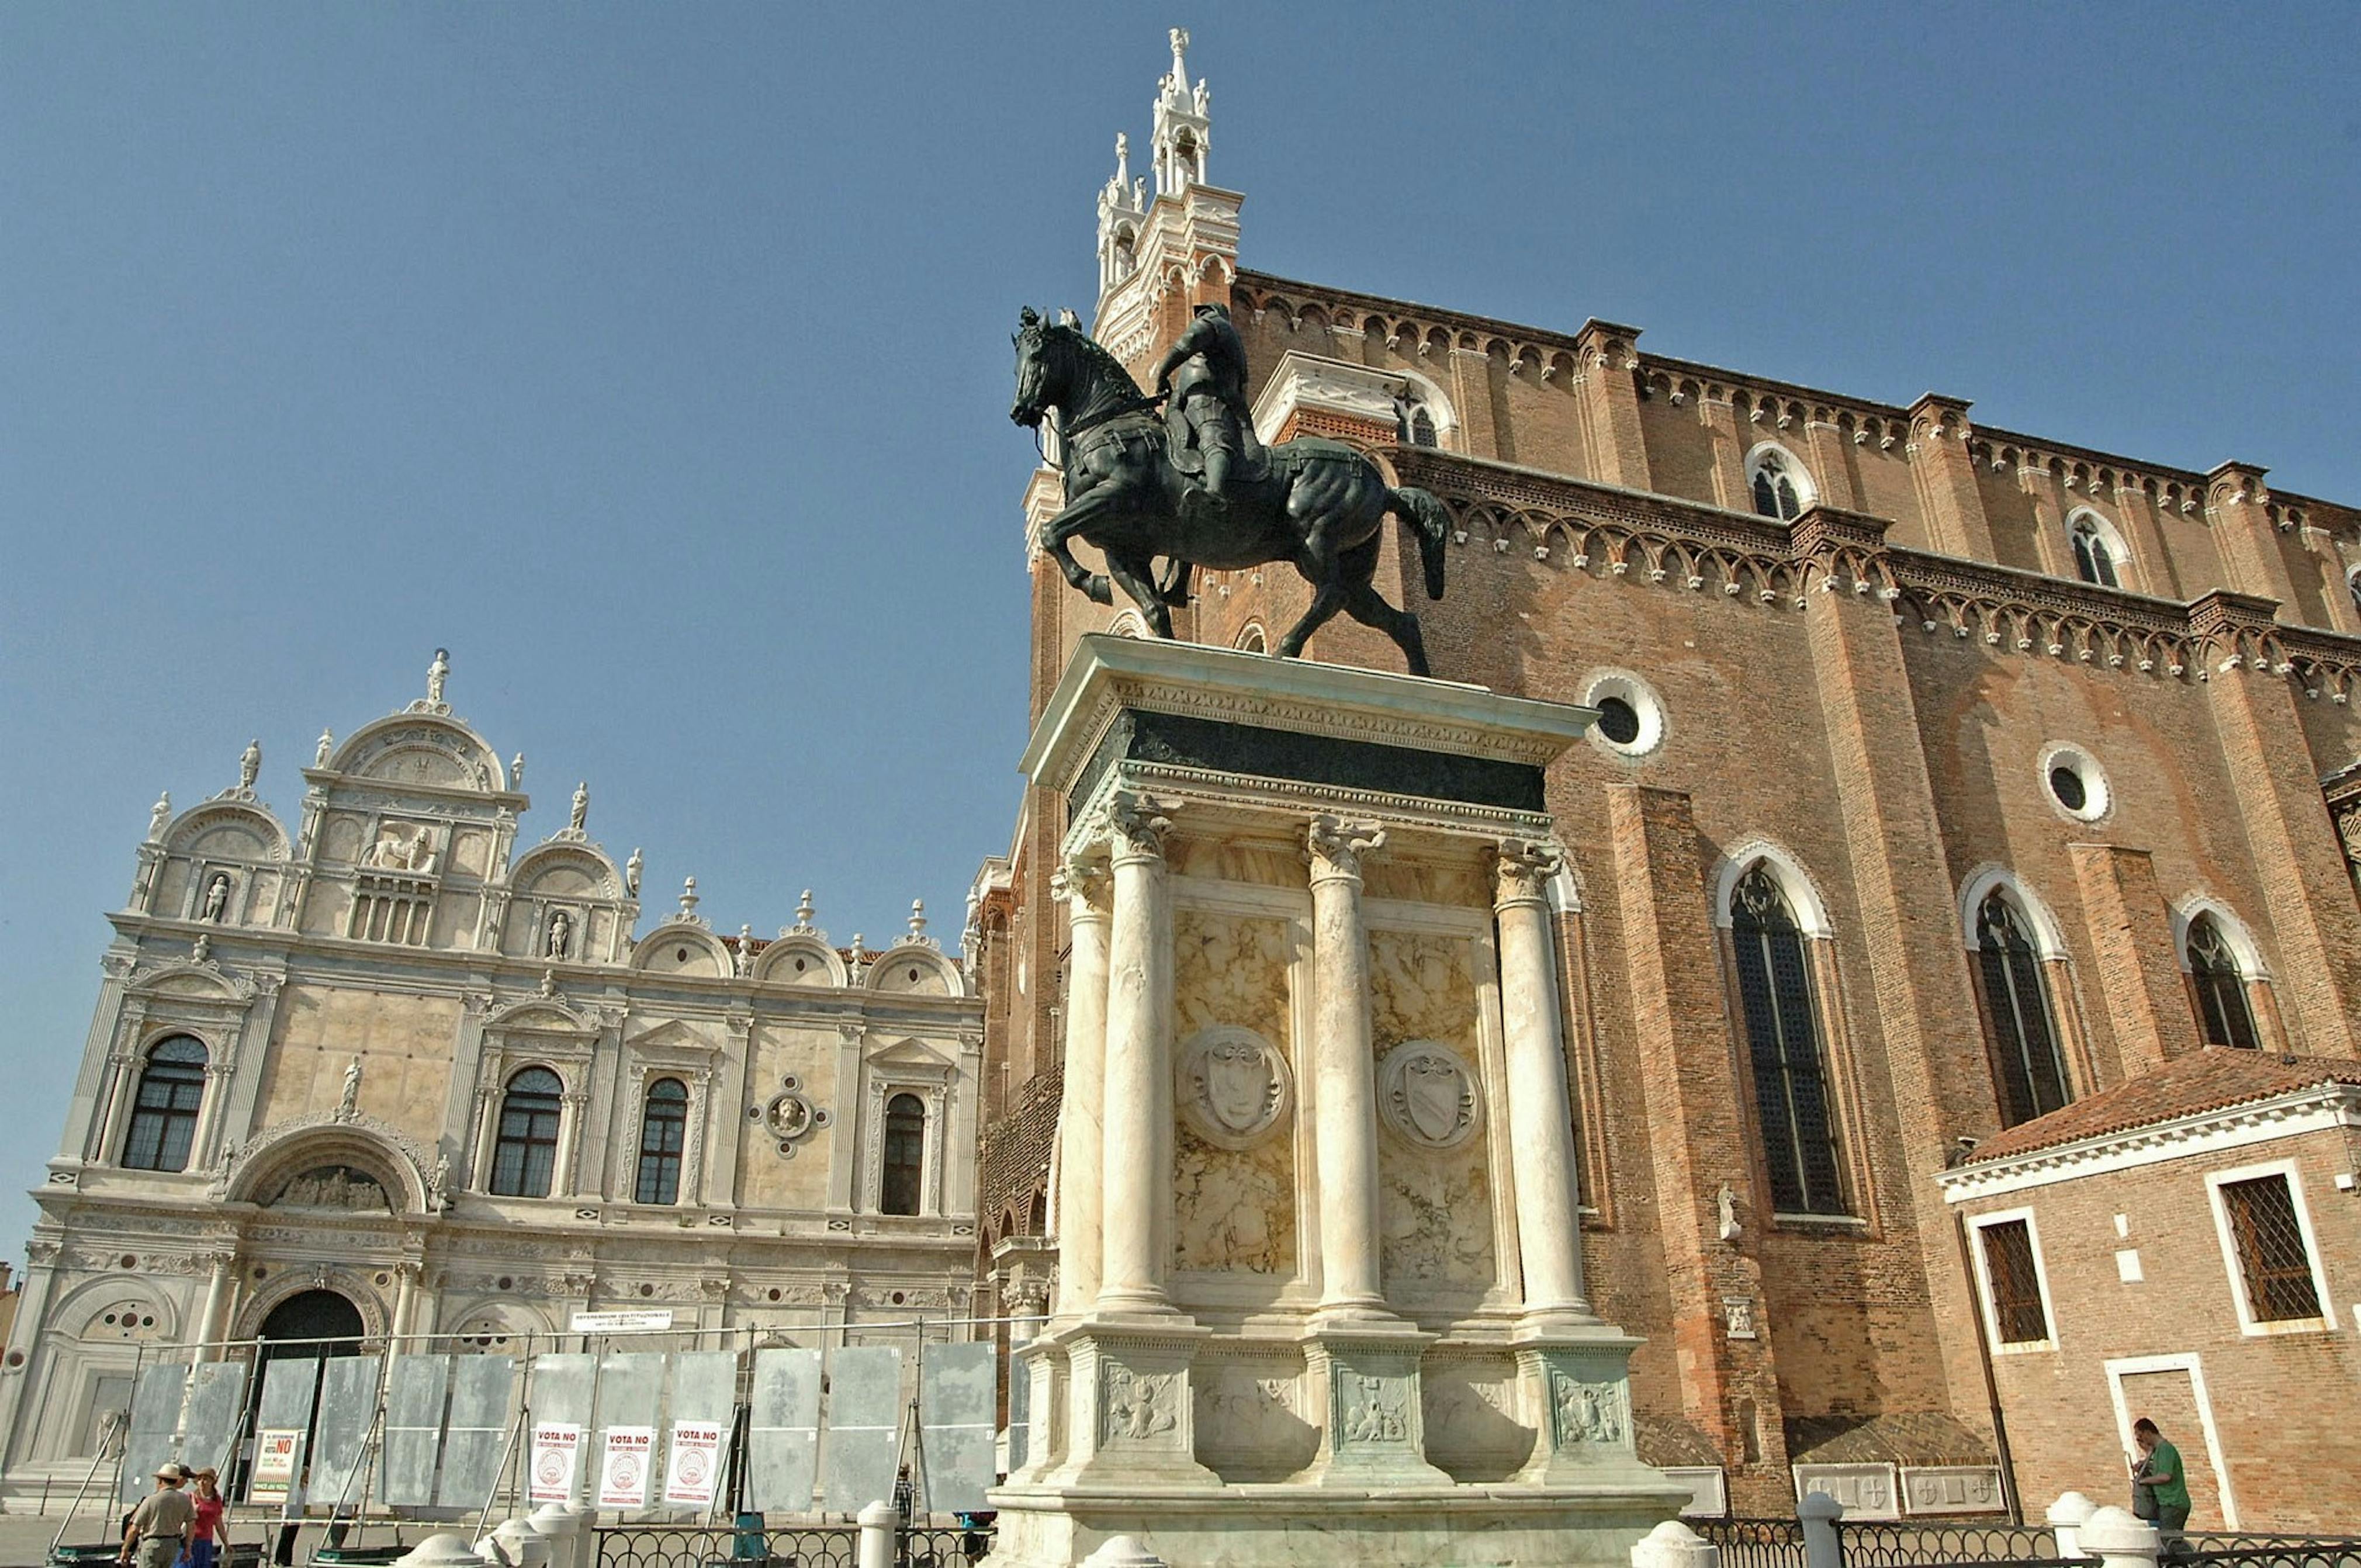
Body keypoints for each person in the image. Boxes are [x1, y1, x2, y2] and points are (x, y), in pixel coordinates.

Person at [1150, 301, 1257, 521]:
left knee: (1213, 437)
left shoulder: (1216, 326)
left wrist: (1162, 373)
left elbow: (1189, 340)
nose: (1200, 318)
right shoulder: (1205, 350)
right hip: (1188, 405)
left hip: (1212, 400)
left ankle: (1215, 493)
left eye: (1204, 313)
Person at [118, 1464, 196, 1568]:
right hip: (173, 1544)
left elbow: (135, 1528)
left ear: (160, 1481)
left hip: (153, 1543)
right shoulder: (185, 1500)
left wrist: (125, 1549)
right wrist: (188, 1548)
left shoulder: (151, 1500)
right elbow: (191, 1525)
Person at [2131, 1417, 2192, 1545]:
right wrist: (2144, 1461)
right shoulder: (2157, 1451)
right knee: (2167, 1540)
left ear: (2148, 1433)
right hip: (2166, 1503)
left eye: (2141, 1437)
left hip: (2174, 1503)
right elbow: (2156, 1467)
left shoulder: (2165, 1449)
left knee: (2169, 1541)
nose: (2141, 1441)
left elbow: (2165, 1476)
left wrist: (2145, 1481)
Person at [186, 1469, 231, 1568]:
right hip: (190, 1540)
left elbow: (218, 1523)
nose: (202, 1482)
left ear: (212, 1482)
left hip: (206, 1541)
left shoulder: (216, 1500)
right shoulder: (191, 1497)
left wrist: (226, 1543)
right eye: (200, 1480)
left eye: (205, 1479)